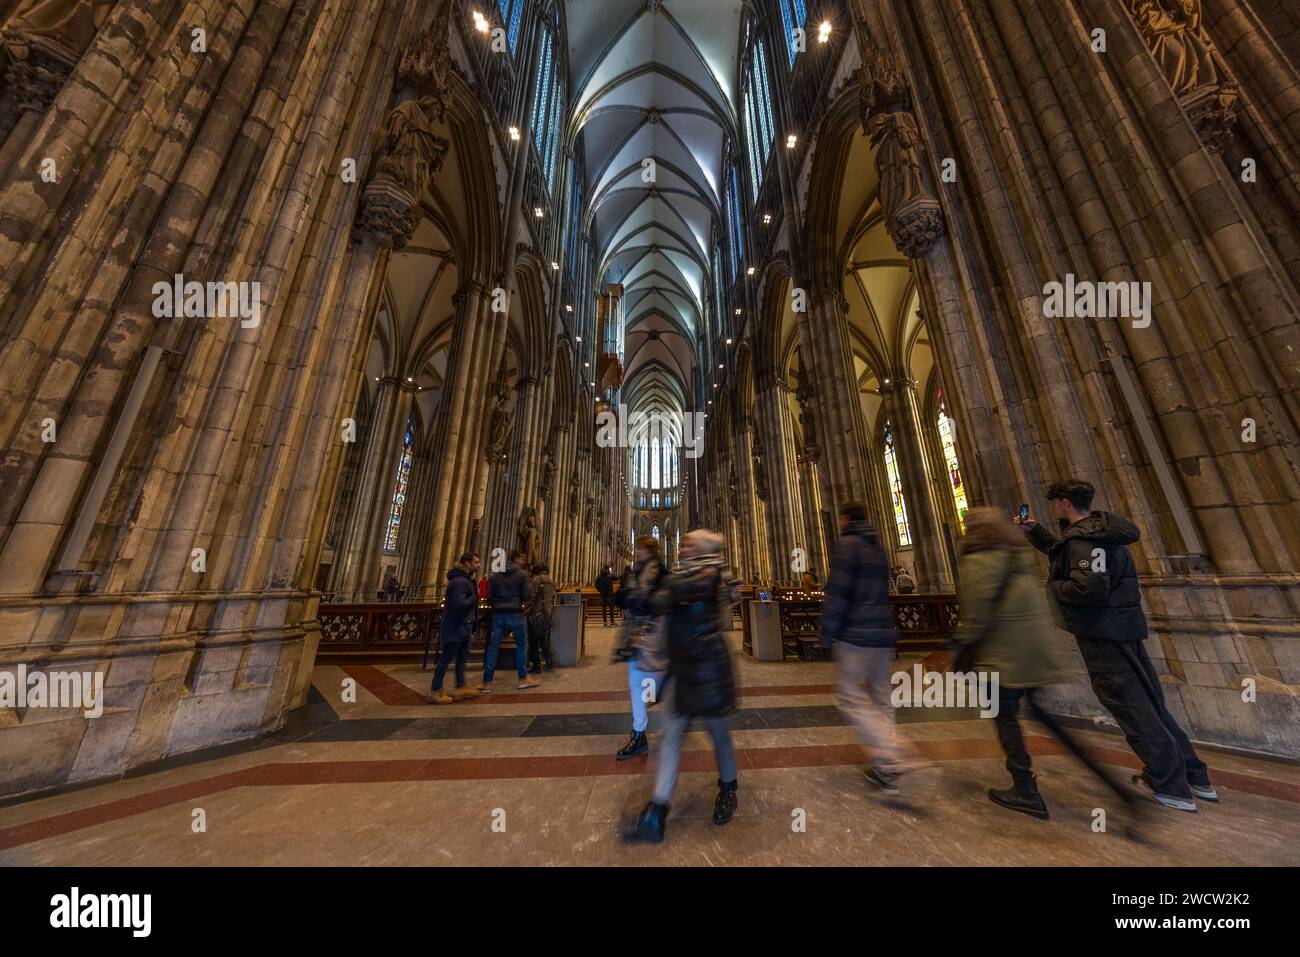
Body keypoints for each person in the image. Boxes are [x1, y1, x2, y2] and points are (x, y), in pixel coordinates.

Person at [1020, 479, 1215, 811]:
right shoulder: (1100, 534)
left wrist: (1051, 590)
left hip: (1103, 636)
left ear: (1064, 504)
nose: (1055, 509)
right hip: (1124, 629)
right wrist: (1036, 531)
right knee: (1150, 703)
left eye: (1056, 504)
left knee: (1131, 706)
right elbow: (1072, 555)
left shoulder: (1084, 542)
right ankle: (1195, 775)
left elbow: (1090, 588)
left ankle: (1169, 783)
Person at [953, 509, 1134, 820]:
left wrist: (958, 649)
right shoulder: (1017, 557)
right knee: (1042, 719)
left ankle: (1025, 787)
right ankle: (1116, 789)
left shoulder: (978, 561)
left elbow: (976, 615)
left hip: (1002, 656)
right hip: (1033, 654)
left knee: (1005, 718)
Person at [627, 529, 739, 843]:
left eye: (689, 544)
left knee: (718, 732)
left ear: (702, 549)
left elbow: (672, 594)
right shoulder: (689, 573)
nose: (683, 547)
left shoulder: (709, 574)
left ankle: (729, 788)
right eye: (683, 543)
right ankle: (658, 808)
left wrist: (654, 590)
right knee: (671, 734)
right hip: (681, 668)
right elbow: (664, 599)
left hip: (709, 668)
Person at [820, 502, 921, 792]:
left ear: (845, 519)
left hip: (856, 635)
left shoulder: (847, 546)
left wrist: (827, 635)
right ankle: (885, 767)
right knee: (881, 699)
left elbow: (838, 593)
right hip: (883, 634)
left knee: (850, 697)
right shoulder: (878, 547)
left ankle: (895, 756)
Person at [613, 537, 667, 760]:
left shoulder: (659, 573)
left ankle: (644, 728)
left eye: (639, 549)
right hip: (636, 638)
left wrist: (632, 597)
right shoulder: (636, 572)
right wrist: (631, 597)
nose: (636, 552)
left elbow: (651, 602)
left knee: (647, 684)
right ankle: (639, 732)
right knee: (637, 684)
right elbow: (622, 597)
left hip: (651, 638)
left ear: (648, 551)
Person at [480, 549, 540, 692]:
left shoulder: (495, 576)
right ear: (516, 559)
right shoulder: (522, 575)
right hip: (516, 613)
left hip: (498, 614)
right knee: (522, 645)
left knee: (493, 647)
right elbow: (527, 595)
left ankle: (486, 683)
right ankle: (522, 678)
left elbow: (489, 596)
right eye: (522, 559)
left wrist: (498, 604)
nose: (524, 562)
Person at [429, 553, 483, 704]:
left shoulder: (464, 580)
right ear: (466, 563)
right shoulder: (460, 582)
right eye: (476, 562)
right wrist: (475, 597)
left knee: (462, 658)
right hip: (456, 626)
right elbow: (459, 604)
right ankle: (435, 690)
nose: (478, 566)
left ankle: (461, 686)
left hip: (463, 626)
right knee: (446, 659)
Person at [527, 563, 557, 674]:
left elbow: (532, 597)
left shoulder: (537, 579)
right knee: (542, 638)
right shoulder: (550, 580)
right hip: (547, 612)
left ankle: (536, 665)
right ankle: (549, 660)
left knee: (533, 640)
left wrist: (526, 611)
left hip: (537, 613)